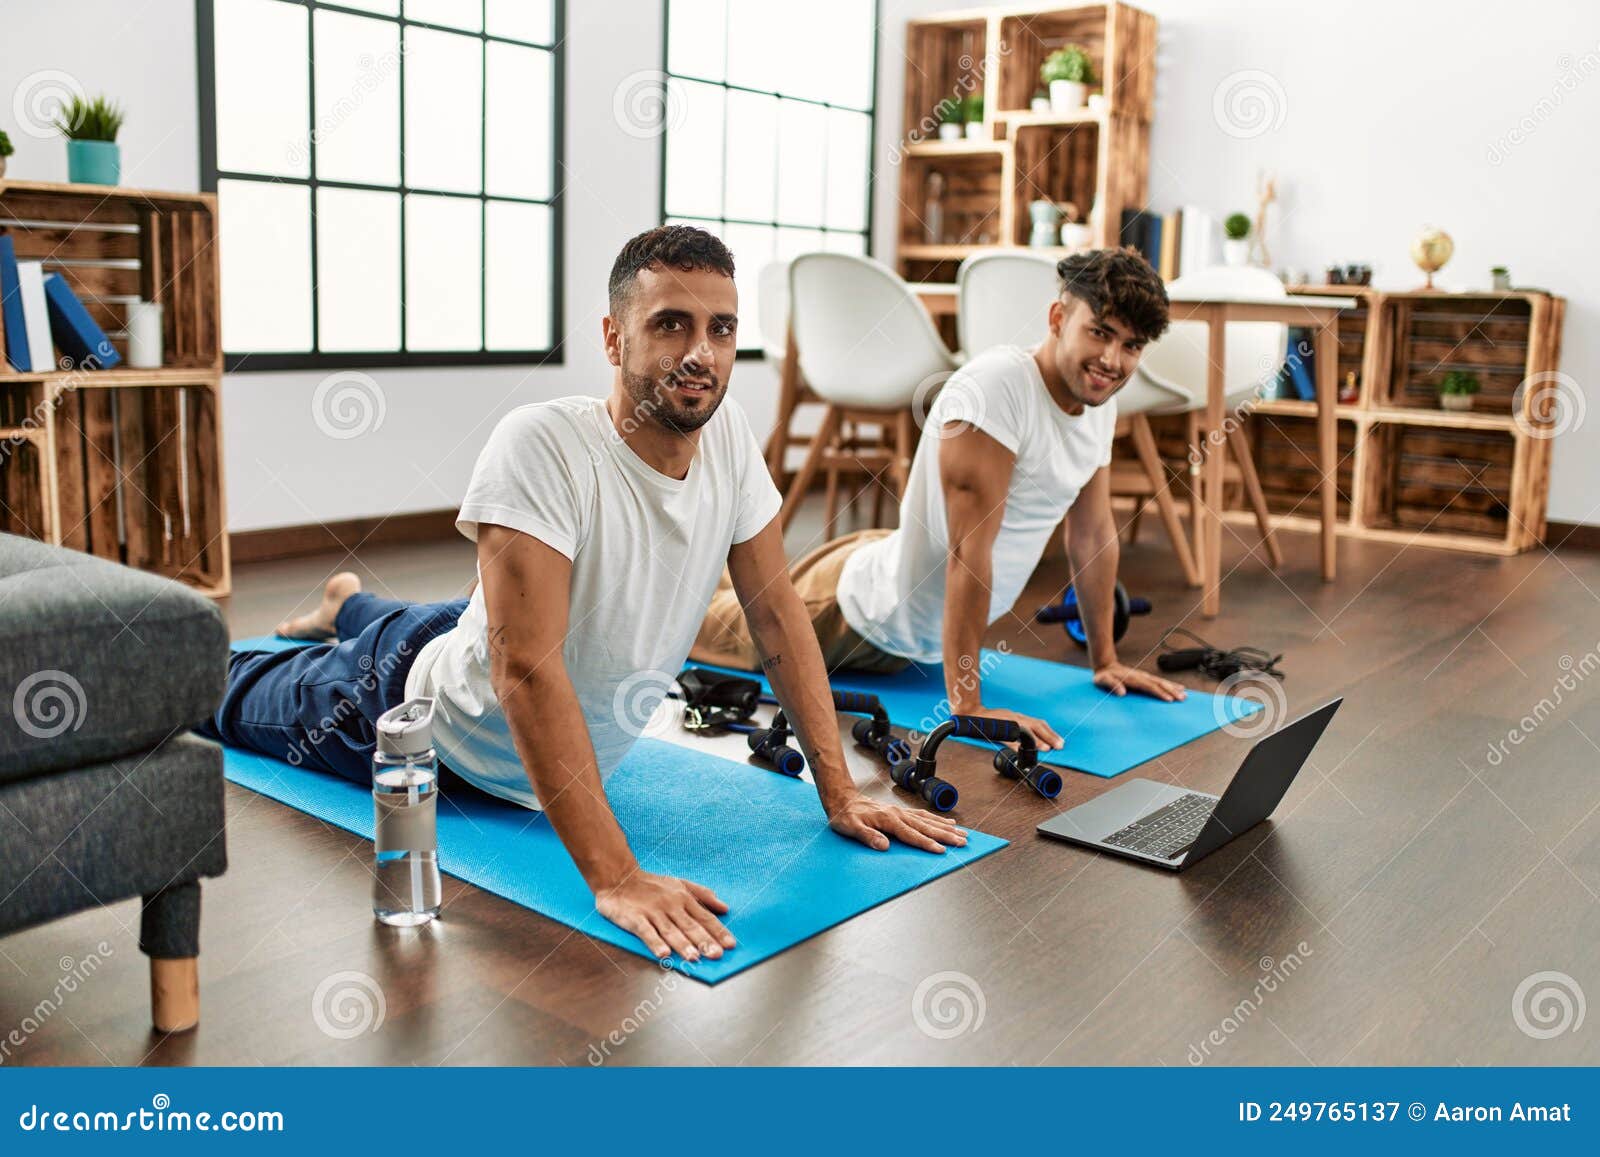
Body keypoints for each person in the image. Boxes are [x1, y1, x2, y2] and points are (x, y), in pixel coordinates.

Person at [202, 225, 964, 964]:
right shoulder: (539, 444)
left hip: (471, 628)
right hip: (413, 705)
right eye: (671, 324)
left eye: (722, 329)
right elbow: (525, 670)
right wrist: (617, 876)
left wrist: (840, 792)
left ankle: (346, 603)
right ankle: (284, 635)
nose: (701, 353)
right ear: (613, 339)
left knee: (461, 618)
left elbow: (776, 613)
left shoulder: (727, 438)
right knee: (224, 692)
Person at [693, 247, 1189, 750]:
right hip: (860, 616)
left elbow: (1093, 534)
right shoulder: (996, 392)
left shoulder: (1097, 401)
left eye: (1131, 346)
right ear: (1059, 317)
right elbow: (968, 553)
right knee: (691, 622)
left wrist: (1105, 659)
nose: (1111, 359)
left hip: (893, 565)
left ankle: (696, 539)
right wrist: (968, 706)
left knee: (719, 588)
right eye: (1100, 332)